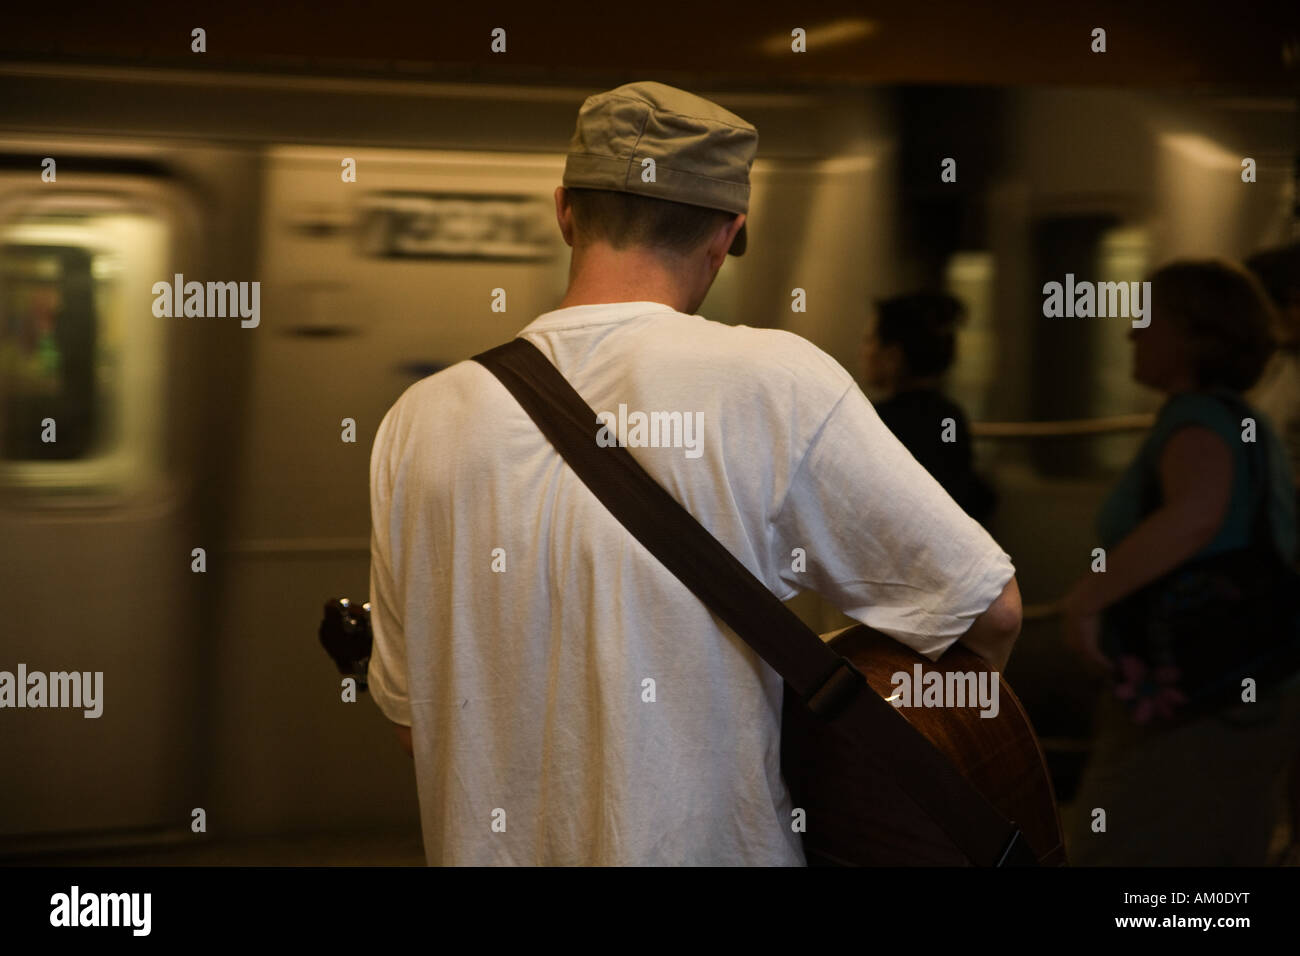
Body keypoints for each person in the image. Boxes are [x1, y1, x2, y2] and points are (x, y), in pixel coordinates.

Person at [367, 81, 1022, 866]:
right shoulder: (772, 383)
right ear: (727, 233)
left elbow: (418, 724)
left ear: (566, 211)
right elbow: (989, 611)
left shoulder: (420, 418)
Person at [1061, 258, 1300, 865]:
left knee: (1123, 851)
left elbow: (1196, 515)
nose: (1131, 333)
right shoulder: (1243, 420)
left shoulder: (1197, 421)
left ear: (1194, 331)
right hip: (1247, 689)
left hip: (1193, 698)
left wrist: (1088, 599)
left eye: (1147, 317)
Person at [860, 293, 997, 524]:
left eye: (869, 340)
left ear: (893, 356)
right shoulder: (951, 416)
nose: (863, 351)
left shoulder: (875, 420)